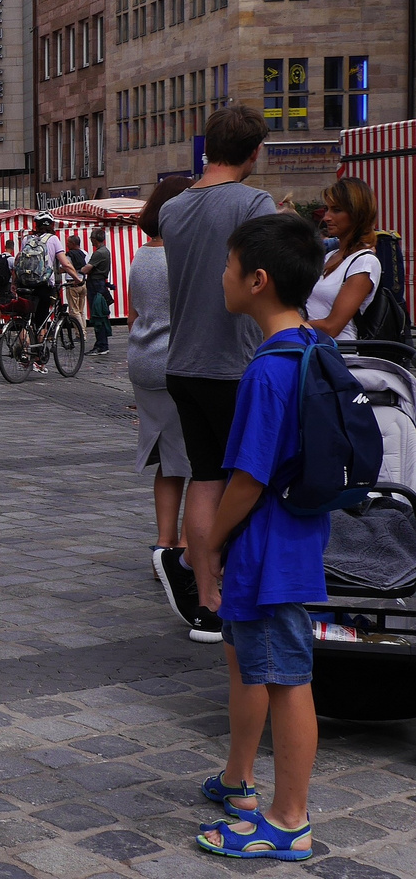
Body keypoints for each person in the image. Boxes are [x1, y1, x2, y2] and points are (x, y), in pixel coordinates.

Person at [194, 212, 327, 862]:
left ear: (257, 280)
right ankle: (245, 786)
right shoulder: (312, 345)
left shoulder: (266, 370)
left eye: (227, 265)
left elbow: (245, 478)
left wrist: (208, 542)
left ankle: (287, 820)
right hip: (293, 534)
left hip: (266, 544)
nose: (221, 276)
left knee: (284, 679)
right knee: (266, 668)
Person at [157, 104, 277, 644]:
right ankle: (242, 591)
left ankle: (207, 602)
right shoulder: (255, 203)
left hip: (183, 362)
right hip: (237, 363)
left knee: (204, 477)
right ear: (254, 152)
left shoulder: (174, 208)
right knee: (248, 481)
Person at [127, 177, 194, 556]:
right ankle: (186, 549)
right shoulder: (181, 256)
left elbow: (135, 313)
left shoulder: (141, 254)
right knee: (198, 461)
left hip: (143, 360)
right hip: (177, 362)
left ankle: (164, 544)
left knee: (169, 461)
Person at [304, 177, 380, 341]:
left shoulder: (365, 262)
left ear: (357, 213)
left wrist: (287, 325)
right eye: (327, 209)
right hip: (313, 350)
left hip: (340, 356)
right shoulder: (329, 256)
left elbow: (332, 326)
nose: (326, 217)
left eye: (336, 210)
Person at [12, 213, 81, 373]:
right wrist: (78, 279)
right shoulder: (53, 240)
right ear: (51, 225)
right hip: (43, 285)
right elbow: (65, 263)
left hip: (24, 284)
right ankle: (38, 360)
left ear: (35, 225)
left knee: (26, 319)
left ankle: (23, 352)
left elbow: (19, 261)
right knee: (41, 319)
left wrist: (14, 283)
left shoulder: (26, 240)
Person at [84, 227, 114, 355]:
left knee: (97, 315)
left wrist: (75, 270)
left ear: (94, 239)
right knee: (100, 314)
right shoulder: (105, 251)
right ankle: (102, 344)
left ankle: (101, 345)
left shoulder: (99, 253)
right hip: (100, 284)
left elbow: (86, 269)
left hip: (96, 285)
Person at [64, 234, 89, 327]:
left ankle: (80, 333)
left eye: (68, 243)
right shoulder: (85, 253)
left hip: (72, 283)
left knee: (74, 311)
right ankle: (84, 331)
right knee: (81, 310)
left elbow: (66, 267)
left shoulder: (70, 254)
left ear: (73, 243)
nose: (67, 245)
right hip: (83, 282)